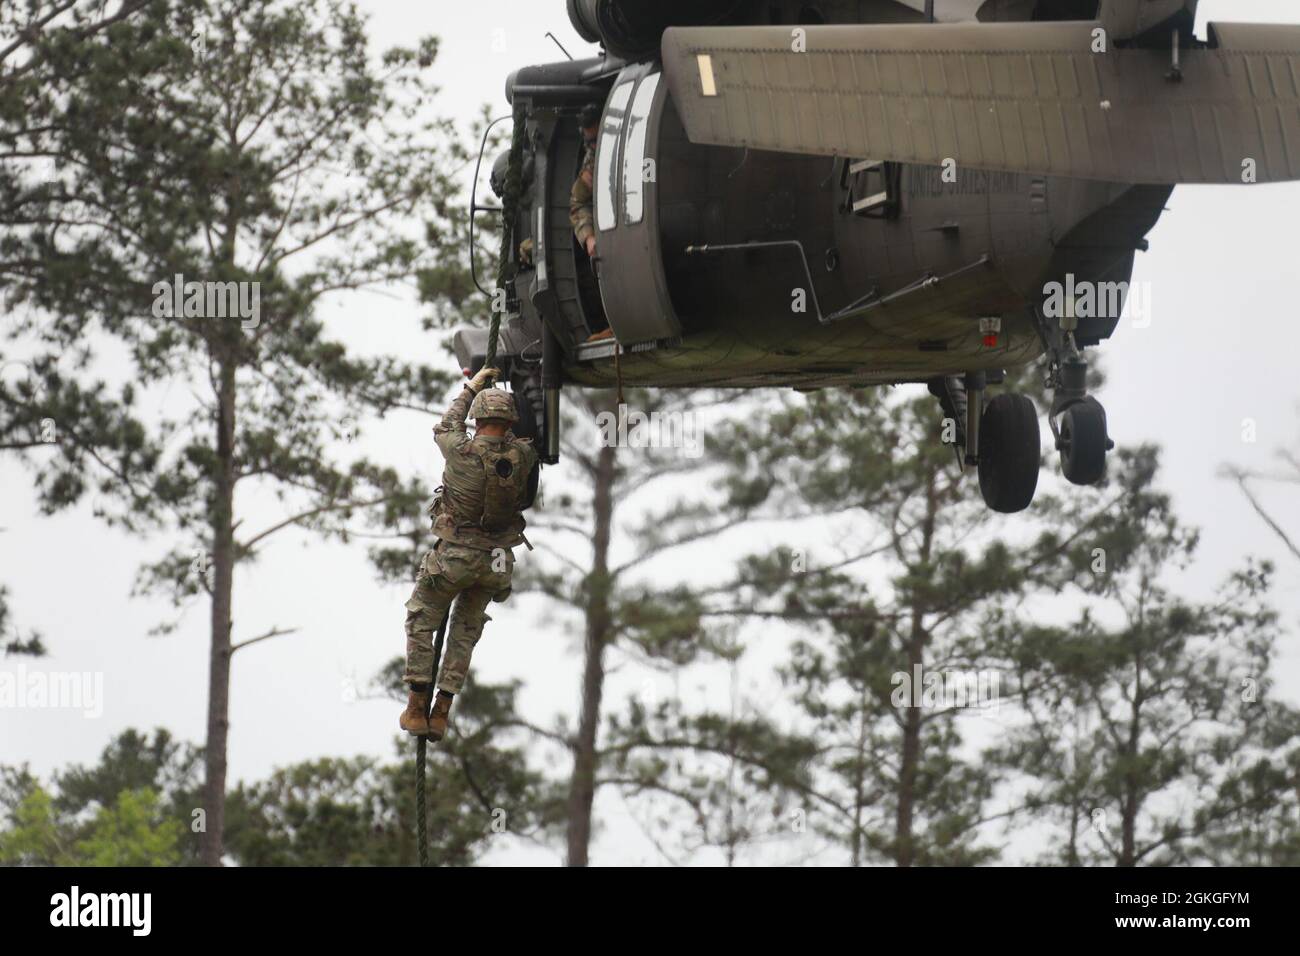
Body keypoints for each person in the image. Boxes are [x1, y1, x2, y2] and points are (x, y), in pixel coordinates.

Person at [399, 367, 538, 740]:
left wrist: (471, 388)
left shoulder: (461, 450)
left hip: (457, 556)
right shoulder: (522, 455)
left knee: (421, 620)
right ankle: (441, 711)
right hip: (496, 563)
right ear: (509, 421)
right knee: (464, 633)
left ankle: (416, 707)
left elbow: (446, 424)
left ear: (478, 419)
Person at [570, 103, 615, 343]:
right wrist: (589, 237)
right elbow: (578, 202)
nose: (594, 147)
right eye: (589, 142)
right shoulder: (593, 159)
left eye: (598, 139)